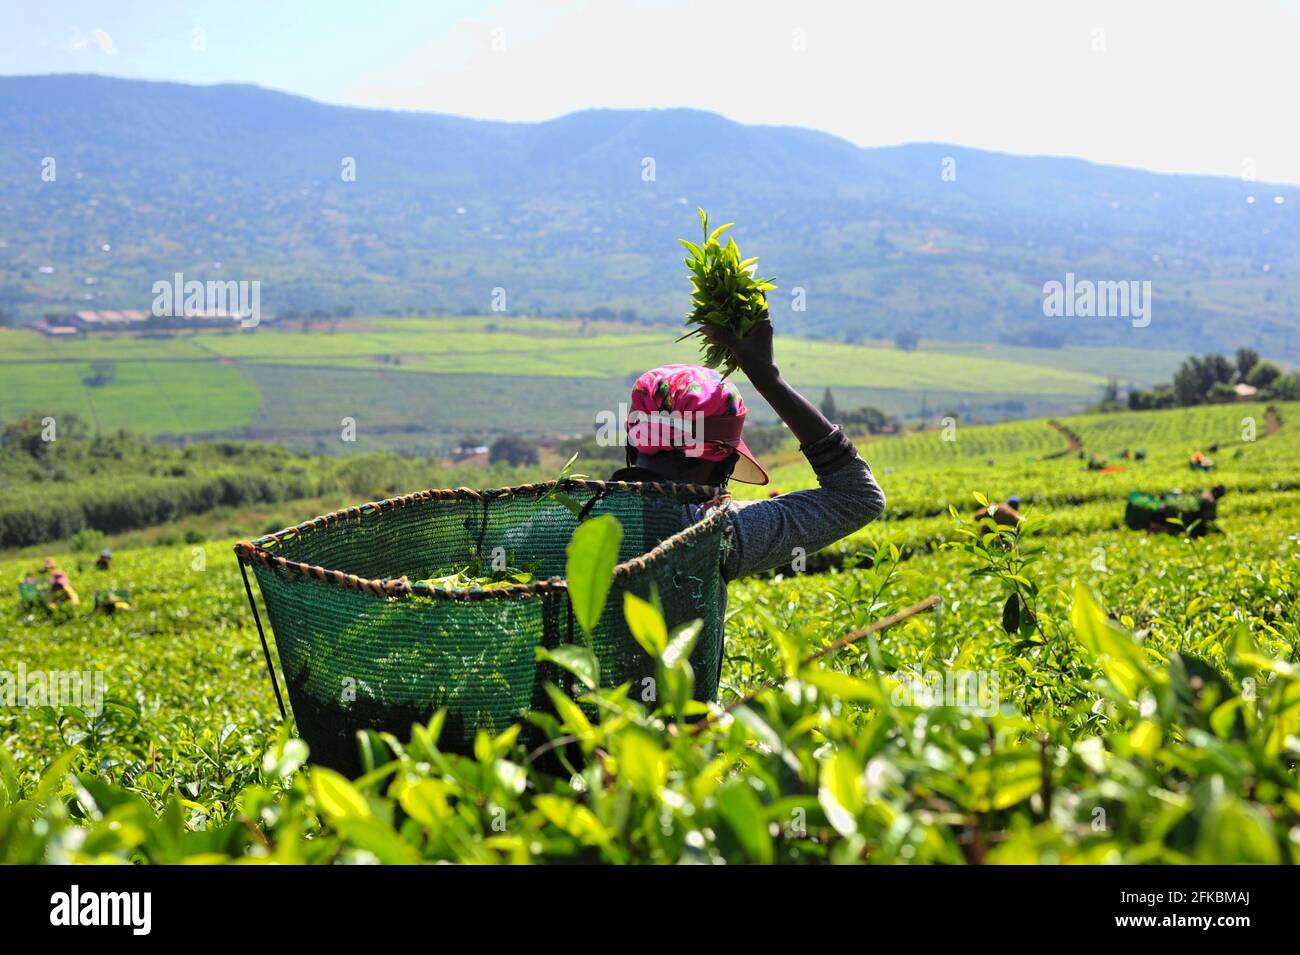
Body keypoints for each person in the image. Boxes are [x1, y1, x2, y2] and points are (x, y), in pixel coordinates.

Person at [609, 319, 885, 583]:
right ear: (725, 466)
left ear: (633, 444)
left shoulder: (572, 515)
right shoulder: (717, 535)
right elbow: (858, 498)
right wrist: (768, 378)